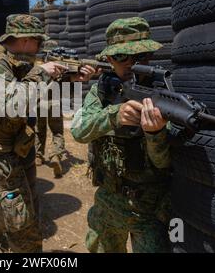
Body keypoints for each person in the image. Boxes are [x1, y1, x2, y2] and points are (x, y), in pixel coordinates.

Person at [0, 14, 96, 253]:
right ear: (24, 40)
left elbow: (41, 100)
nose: (40, 48)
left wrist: (71, 79)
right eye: (37, 42)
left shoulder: (14, 62)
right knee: (25, 234)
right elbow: (15, 104)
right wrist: (43, 71)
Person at [71, 17, 172, 253]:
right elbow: (78, 130)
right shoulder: (103, 90)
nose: (130, 64)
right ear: (108, 59)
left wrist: (155, 133)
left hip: (150, 207)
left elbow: (165, 163)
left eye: (140, 57)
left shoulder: (164, 95)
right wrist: (114, 115)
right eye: (121, 57)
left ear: (150, 57)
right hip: (108, 198)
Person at [34, 40, 67, 178]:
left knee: (39, 130)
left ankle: (38, 156)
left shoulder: (37, 64)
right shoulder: (61, 64)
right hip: (54, 102)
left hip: (38, 103)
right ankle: (55, 155)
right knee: (57, 131)